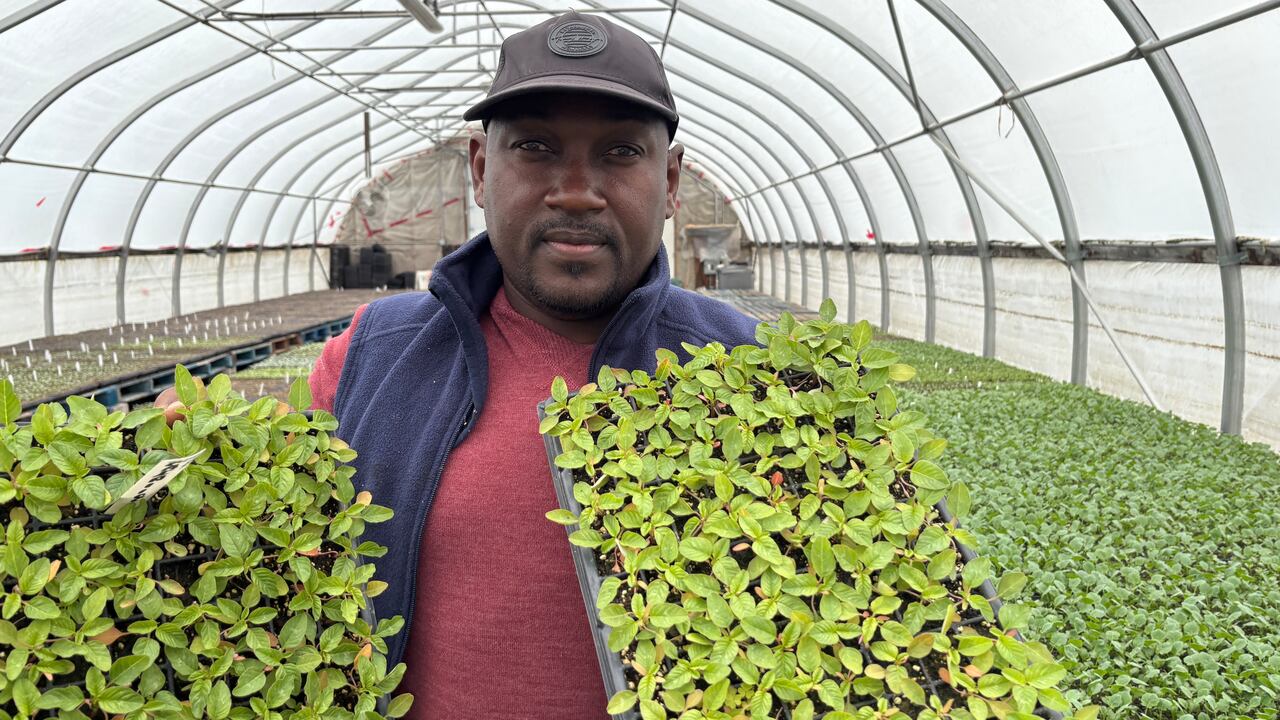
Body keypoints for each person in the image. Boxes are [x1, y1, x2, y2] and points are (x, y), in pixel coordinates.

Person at [164, 10, 758, 718]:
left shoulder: (748, 373)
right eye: (535, 147)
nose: (575, 190)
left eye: (621, 152)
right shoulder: (373, 355)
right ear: (480, 169)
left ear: (671, 180)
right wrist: (202, 468)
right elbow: (272, 551)